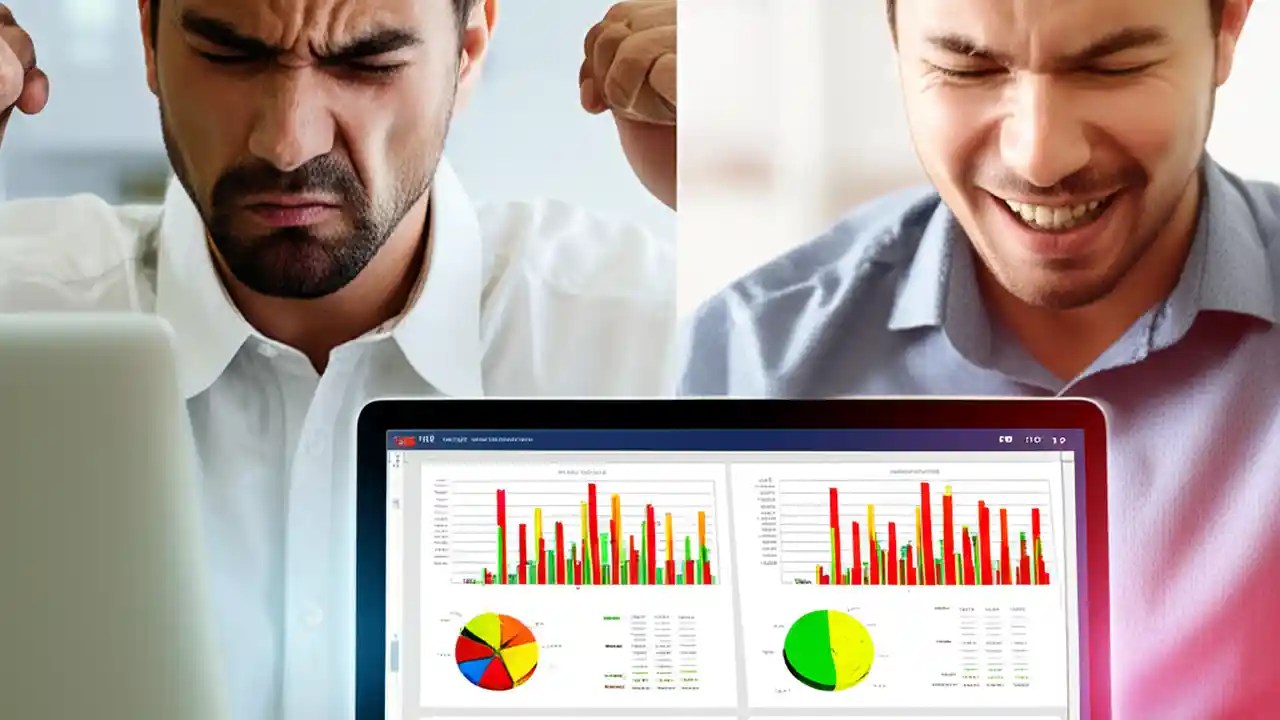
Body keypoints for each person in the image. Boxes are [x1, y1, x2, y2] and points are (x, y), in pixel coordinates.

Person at [0, 0, 676, 718]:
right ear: (149, 42)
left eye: (367, 64)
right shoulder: (20, 307)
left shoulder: (664, 340)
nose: (287, 142)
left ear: (468, 50)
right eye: (230, 56)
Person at [681, 0, 1278, 717]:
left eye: (1112, 66)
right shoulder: (739, 367)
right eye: (966, 66)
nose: (1042, 156)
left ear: (1227, 30)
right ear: (896, 39)